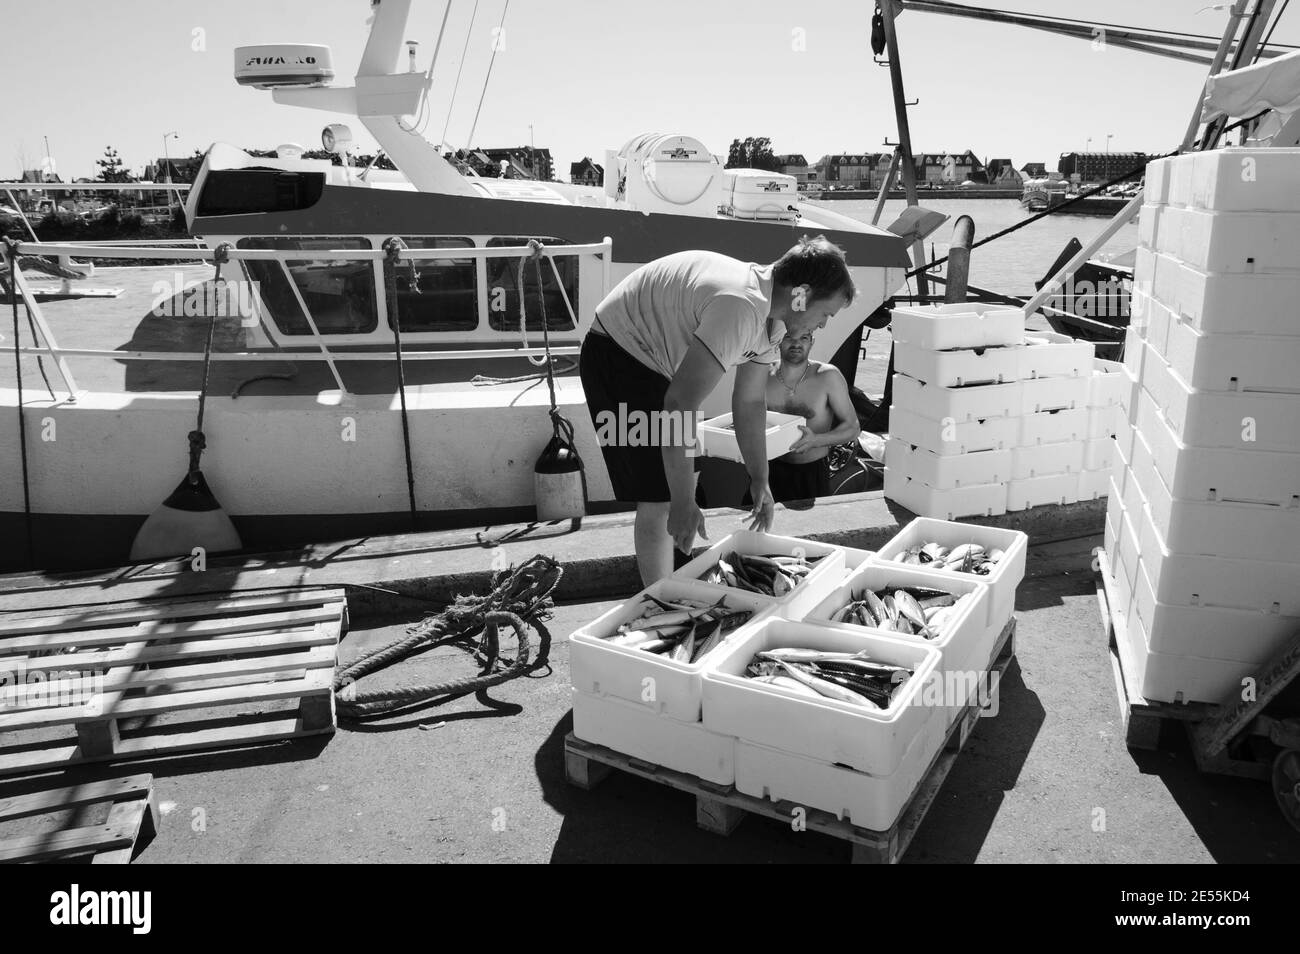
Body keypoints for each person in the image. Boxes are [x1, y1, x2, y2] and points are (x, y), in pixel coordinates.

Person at [580, 235, 856, 586]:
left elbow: (750, 401)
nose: (824, 325)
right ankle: (661, 601)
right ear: (801, 295)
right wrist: (680, 501)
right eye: (826, 313)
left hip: (656, 363)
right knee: (661, 494)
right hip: (617, 353)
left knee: (684, 474)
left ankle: (675, 576)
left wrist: (760, 478)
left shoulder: (774, 322)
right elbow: (679, 404)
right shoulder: (741, 307)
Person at [762, 328, 861, 505]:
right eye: (789, 337)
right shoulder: (763, 375)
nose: (796, 343)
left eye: (804, 338)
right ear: (778, 341)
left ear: (811, 342)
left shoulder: (828, 376)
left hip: (811, 473)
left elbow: (852, 427)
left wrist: (816, 440)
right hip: (768, 470)